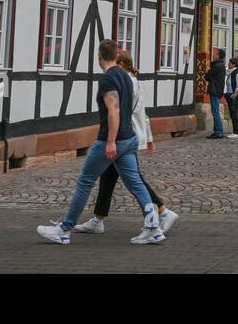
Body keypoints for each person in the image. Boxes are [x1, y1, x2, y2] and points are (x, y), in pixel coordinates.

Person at [37, 40, 160, 245]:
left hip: (112, 140)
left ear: (99, 57)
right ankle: (153, 228)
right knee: (136, 184)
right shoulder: (127, 77)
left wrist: (110, 141)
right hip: (130, 138)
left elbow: (114, 109)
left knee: (85, 181)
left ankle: (64, 229)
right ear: (117, 56)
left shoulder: (108, 79)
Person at [74, 50, 177, 243]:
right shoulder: (130, 79)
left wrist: (119, 137)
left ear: (120, 64)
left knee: (134, 179)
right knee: (109, 177)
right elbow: (141, 111)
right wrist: (149, 137)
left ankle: (162, 211)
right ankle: (98, 219)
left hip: (123, 137)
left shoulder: (127, 81)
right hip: (126, 135)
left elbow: (128, 110)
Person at [205, 47, 227, 140]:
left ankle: (218, 132)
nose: (214, 55)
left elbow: (207, 76)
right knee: (216, 111)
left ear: (219, 56)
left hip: (214, 90)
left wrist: (210, 78)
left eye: (216, 54)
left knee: (215, 112)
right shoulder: (221, 65)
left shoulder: (217, 66)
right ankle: (217, 131)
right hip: (217, 90)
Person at [224, 56, 238, 140]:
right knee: (232, 114)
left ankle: (236, 132)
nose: (228, 64)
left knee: (234, 113)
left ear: (233, 64)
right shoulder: (230, 73)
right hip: (230, 95)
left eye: (229, 63)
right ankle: (234, 131)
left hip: (234, 96)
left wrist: (234, 94)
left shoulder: (236, 73)